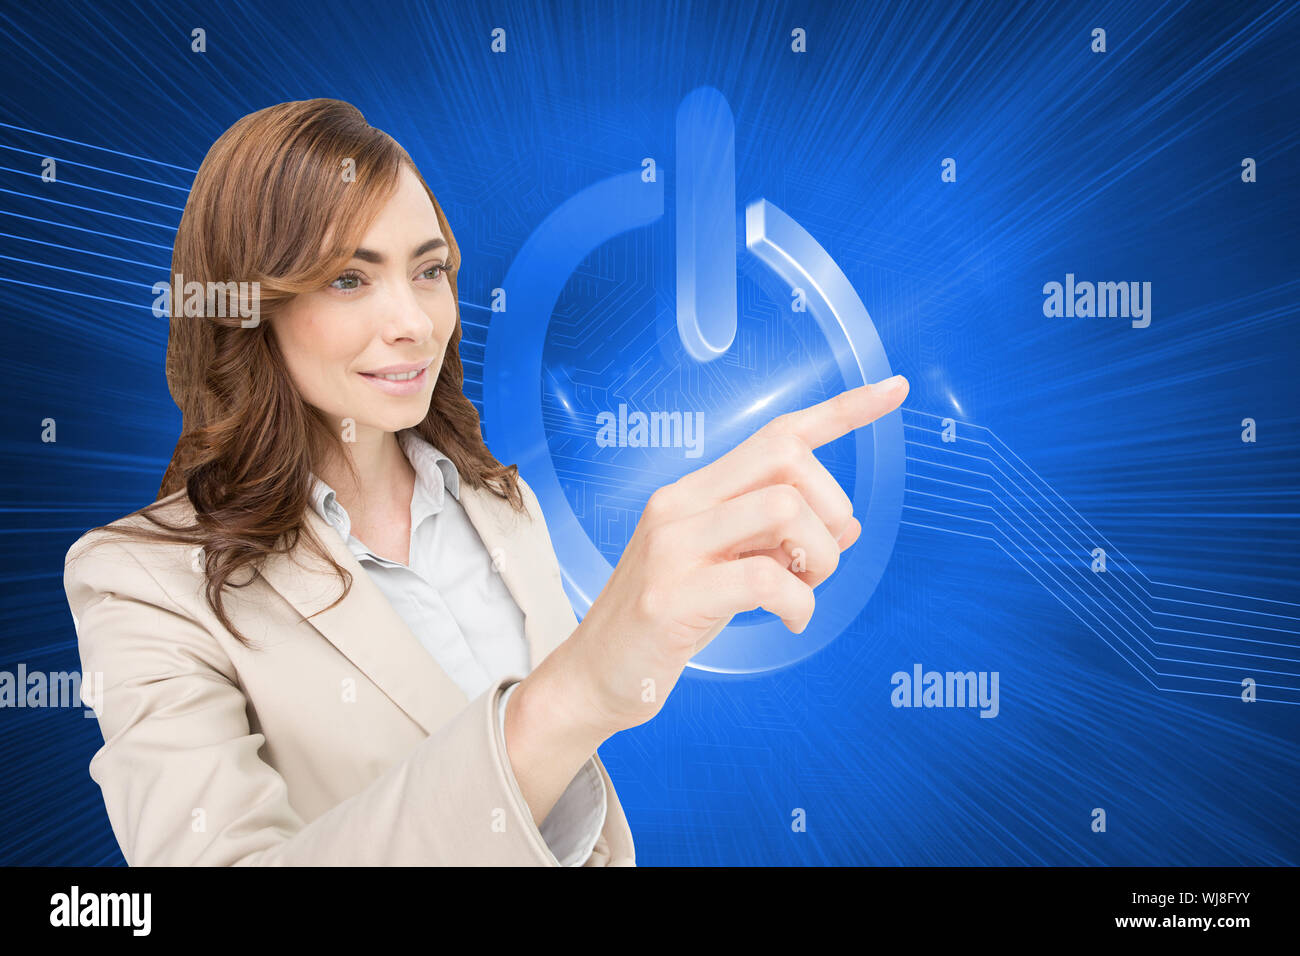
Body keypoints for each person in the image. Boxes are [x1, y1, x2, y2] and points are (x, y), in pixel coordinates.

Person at [62, 98, 909, 866]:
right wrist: (574, 692)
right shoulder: (138, 583)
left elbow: (574, 819)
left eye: (428, 271)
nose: (412, 322)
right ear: (250, 307)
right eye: (348, 279)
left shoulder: (500, 503)